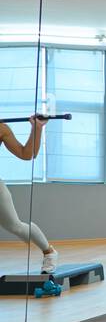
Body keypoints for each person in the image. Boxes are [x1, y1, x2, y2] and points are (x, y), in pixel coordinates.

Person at [0, 115, 58, 273]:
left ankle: (49, 252)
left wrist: (36, 128)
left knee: (15, 226)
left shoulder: (2, 129)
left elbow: (27, 154)